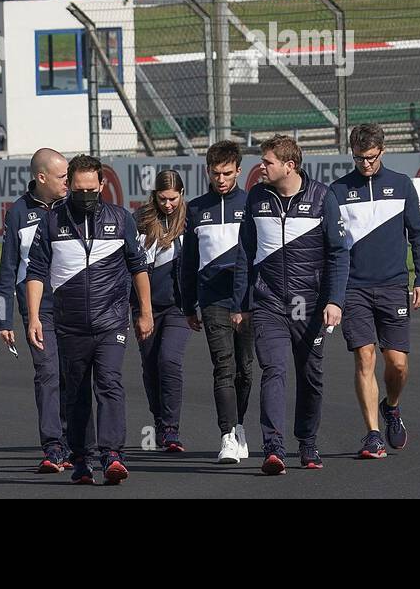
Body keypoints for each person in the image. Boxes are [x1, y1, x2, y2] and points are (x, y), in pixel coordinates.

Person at [26, 154, 153, 485]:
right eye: (78, 189)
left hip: (111, 321)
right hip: (70, 324)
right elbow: (36, 271)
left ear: (102, 184)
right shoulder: (52, 222)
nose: (84, 195)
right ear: (70, 185)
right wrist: (35, 316)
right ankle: (81, 459)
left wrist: (145, 312)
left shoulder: (121, 218)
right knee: (78, 391)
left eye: (90, 189)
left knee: (110, 383)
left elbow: (138, 266)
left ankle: (112, 455)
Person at [233, 134, 348, 475]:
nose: (261, 168)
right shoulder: (256, 197)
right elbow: (245, 252)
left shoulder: (323, 197)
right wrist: (241, 303)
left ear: (289, 165)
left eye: (267, 162)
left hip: (309, 305)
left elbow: (339, 254)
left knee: (310, 376)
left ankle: (308, 442)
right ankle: (273, 448)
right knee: (274, 369)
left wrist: (335, 300)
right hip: (269, 302)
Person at [330, 124, 420, 459]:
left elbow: (419, 235)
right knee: (365, 356)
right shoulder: (338, 191)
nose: (366, 164)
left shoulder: (402, 185)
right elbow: (331, 247)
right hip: (354, 288)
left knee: (397, 364)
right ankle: (372, 435)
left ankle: (393, 406)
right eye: (359, 158)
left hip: (393, 286)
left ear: (382, 152)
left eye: (371, 158)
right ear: (352, 154)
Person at [0, 147, 73, 473]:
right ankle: (53, 446)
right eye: (61, 177)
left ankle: (74, 444)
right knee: (48, 373)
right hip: (36, 309)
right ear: (41, 178)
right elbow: (7, 269)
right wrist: (2, 317)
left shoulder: (73, 208)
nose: (67, 183)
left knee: (74, 376)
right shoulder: (17, 213)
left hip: (74, 304)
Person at [180, 141, 254, 464]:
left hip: (248, 300)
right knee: (223, 365)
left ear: (239, 170)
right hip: (212, 299)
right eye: (215, 173)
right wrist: (187, 304)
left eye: (226, 173)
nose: (220, 179)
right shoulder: (196, 209)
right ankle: (226, 436)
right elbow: (188, 261)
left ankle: (239, 427)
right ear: (207, 172)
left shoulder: (253, 204)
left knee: (245, 370)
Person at [132, 169, 190, 453]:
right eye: (162, 198)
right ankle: (158, 420)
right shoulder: (139, 220)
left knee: (170, 361)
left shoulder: (189, 220)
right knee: (151, 365)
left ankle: (170, 429)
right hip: (144, 306)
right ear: (154, 195)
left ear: (181, 195)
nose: (168, 204)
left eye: (173, 198)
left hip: (177, 306)